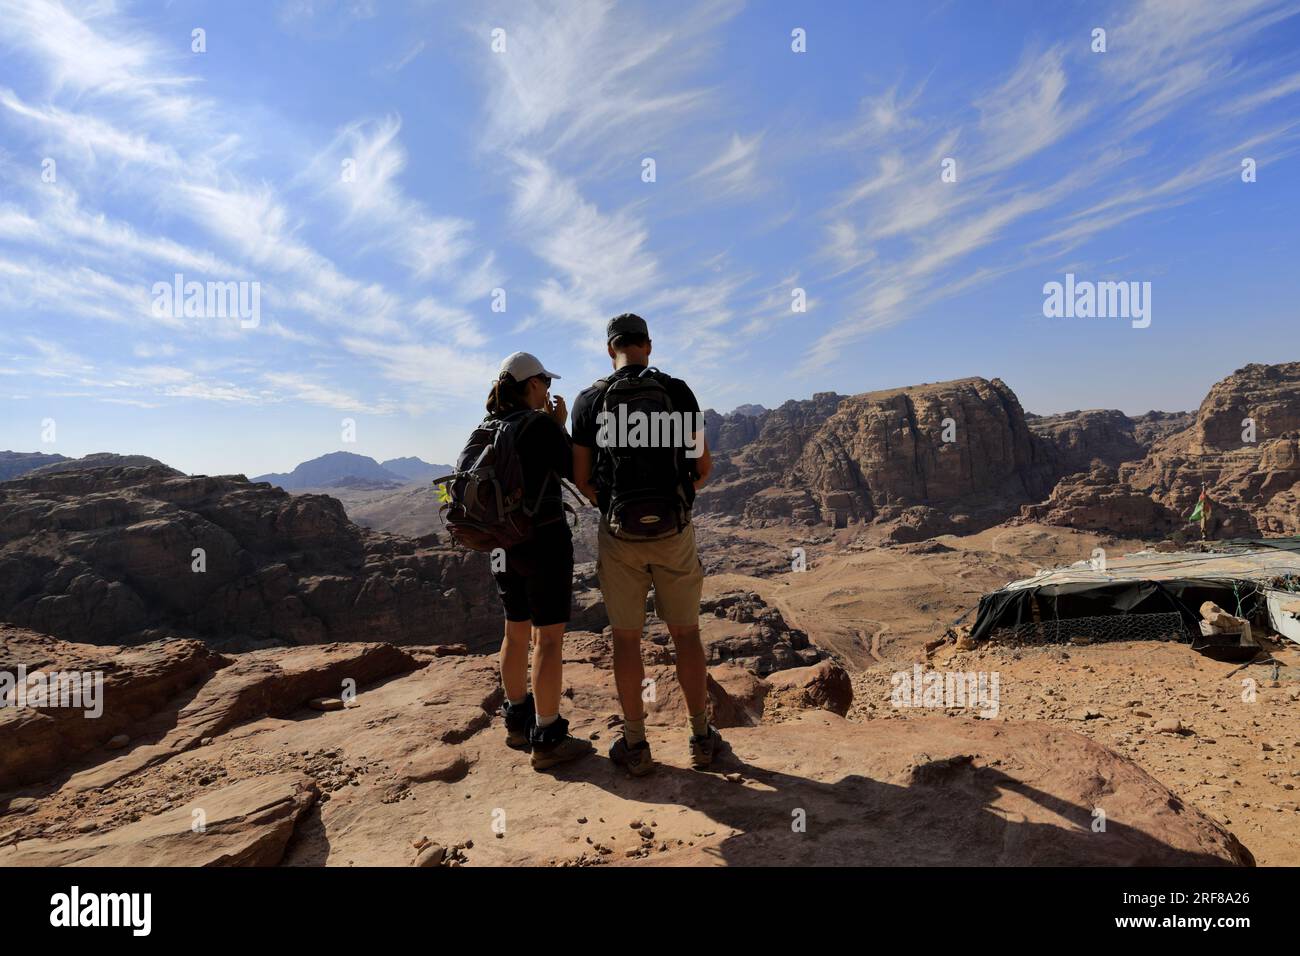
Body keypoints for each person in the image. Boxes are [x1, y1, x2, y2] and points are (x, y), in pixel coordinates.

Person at [570, 313, 720, 776]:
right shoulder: (677, 392)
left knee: (627, 640)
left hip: (620, 536)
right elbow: (702, 467)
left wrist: (613, 504)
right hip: (674, 531)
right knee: (687, 635)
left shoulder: (589, 400)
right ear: (648, 346)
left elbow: (580, 478)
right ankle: (700, 739)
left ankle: (636, 745)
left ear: (608, 348)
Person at [488, 351, 594, 770]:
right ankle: (548, 738)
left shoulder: (489, 427)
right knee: (547, 639)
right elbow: (578, 472)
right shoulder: (538, 426)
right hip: (542, 542)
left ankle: (517, 720)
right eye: (545, 384)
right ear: (532, 385)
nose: (549, 391)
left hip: (501, 547)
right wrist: (558, 429)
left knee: (514, 631)